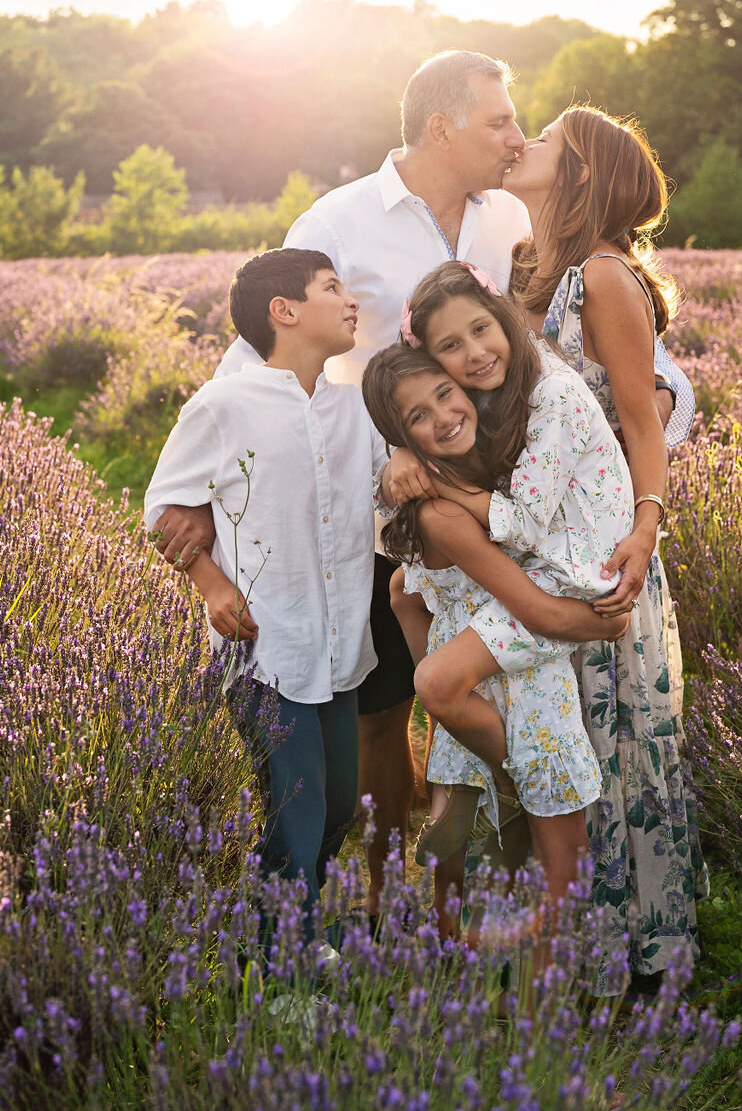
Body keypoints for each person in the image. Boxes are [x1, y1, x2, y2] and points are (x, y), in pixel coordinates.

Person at [150, 50, 531, 919]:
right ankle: (373, 884)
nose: (517, 135)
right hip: (374, 505)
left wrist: (665, 387)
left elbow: (557, 316)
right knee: (380, 706)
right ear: (442, 127)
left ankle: (488, 883)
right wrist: (203, 504)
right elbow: (258, 355)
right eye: (500, 120)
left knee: (497, 682)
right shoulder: (341, 218)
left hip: (496, 501)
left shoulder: (508, 213)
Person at [506, 106, 710, 979]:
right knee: (547, 735)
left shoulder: (603, 278)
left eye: (544, 140)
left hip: (597, 551)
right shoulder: (535, 266)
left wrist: (644, 528)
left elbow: (643, 418)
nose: (525, 146)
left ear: (579, 173)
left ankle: (611, 946)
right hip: (531, 542)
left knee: (601, 737)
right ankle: (547, 932)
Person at [143, 249, 387, 948]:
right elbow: (164, 508)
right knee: (297, 812)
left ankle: (284, 923)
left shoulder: (353, 405)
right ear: (284, 312)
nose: (350, 300)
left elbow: (384, 486)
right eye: (331, 288)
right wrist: (212, 586)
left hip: (340, 645)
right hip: (265, 649)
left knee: (340, 800)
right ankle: (284, 963)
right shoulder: (223, 406)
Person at [363, 332, 634, 933]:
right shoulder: (460, 505)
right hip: (520, 687)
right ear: (401, 437)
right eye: (419, 416)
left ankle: (470, 966)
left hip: (469, 698)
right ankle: (508, 793)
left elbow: (403, 596)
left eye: (445, 394)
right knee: (526, 854)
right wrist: (599, 622)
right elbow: (531, 607)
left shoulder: (467, 493)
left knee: (466, 857)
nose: (444, 414)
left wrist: (439, 700)